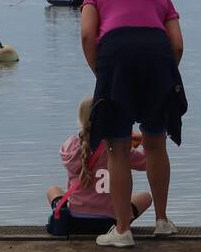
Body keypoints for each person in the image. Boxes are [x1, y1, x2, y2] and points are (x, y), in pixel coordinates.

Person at [80, 0, 187, 247]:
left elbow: (88, 35)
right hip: (158, 56)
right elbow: (177, 44)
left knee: (118, 148)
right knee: (155, 142)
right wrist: (165, 73)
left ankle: (123, 229)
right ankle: (162, 221)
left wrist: (101, 73)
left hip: (116, 57)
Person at [46, 96, 153, 237]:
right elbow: (147, 163)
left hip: (75, 221)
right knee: (146, 197)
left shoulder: (71, 145)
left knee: (53, 190)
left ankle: (60, 211)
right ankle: (122, 222)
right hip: (110, 223)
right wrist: (143, 141)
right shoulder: (117, 148)